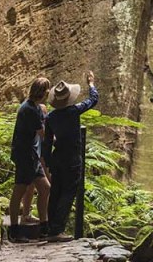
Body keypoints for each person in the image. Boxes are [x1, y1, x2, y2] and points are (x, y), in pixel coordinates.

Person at [43, 71, 99, 239]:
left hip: (57, 157)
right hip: (72, 158)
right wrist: (91, 84)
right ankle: (57, 230)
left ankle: (51, 227)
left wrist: (48, 161)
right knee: (68, 192)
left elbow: (47, 142)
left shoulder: (51, 117)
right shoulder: (74, 111)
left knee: (56, 192)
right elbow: (93, 100)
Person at [8, 77, 52, 241]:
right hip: (25, 156)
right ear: (43, 92)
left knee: (45, 188)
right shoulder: (29, 110)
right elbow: (44, 135)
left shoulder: (34, 107)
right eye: (47, 90)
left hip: (31, 156)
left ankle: (44, 228)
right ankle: (13, 231)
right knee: (19, 190)